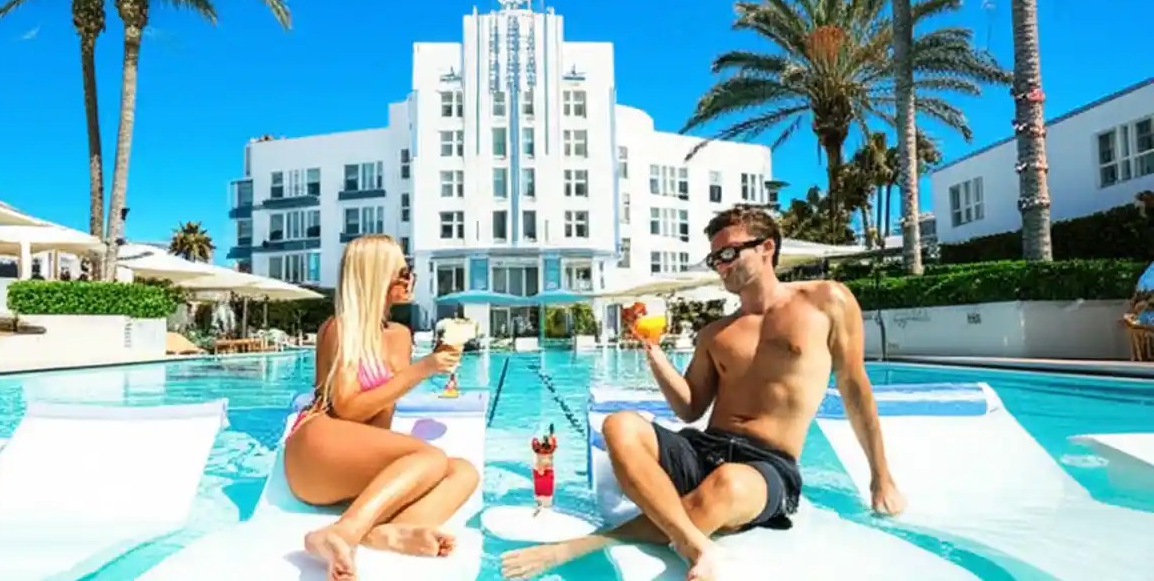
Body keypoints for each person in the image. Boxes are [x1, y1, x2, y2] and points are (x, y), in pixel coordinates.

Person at [501, 206, 906, 581]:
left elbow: (854, 387)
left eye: (728, 254)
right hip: (704, 448)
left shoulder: (827, 300)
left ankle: (584, 546)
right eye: (715, 259)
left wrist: (880, 475)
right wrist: (653, 351)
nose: (720, 267)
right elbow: (690, 407)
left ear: (767, 248)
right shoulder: (715, 333)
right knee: (619, 424)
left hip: (768, 466)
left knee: (728, 484)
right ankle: (695, 544)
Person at [285, 234, 479, 581]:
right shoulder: (341, 329)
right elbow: (346, 410)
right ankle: (344, 532)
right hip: (316, 447)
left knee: (463, 471)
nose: (409, 280)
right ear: (376, 275)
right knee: (430, 458)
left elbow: (382, 415)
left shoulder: (400, 335)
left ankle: (383, 533)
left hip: (348, 456)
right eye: (402, 272)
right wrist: (424, 368)